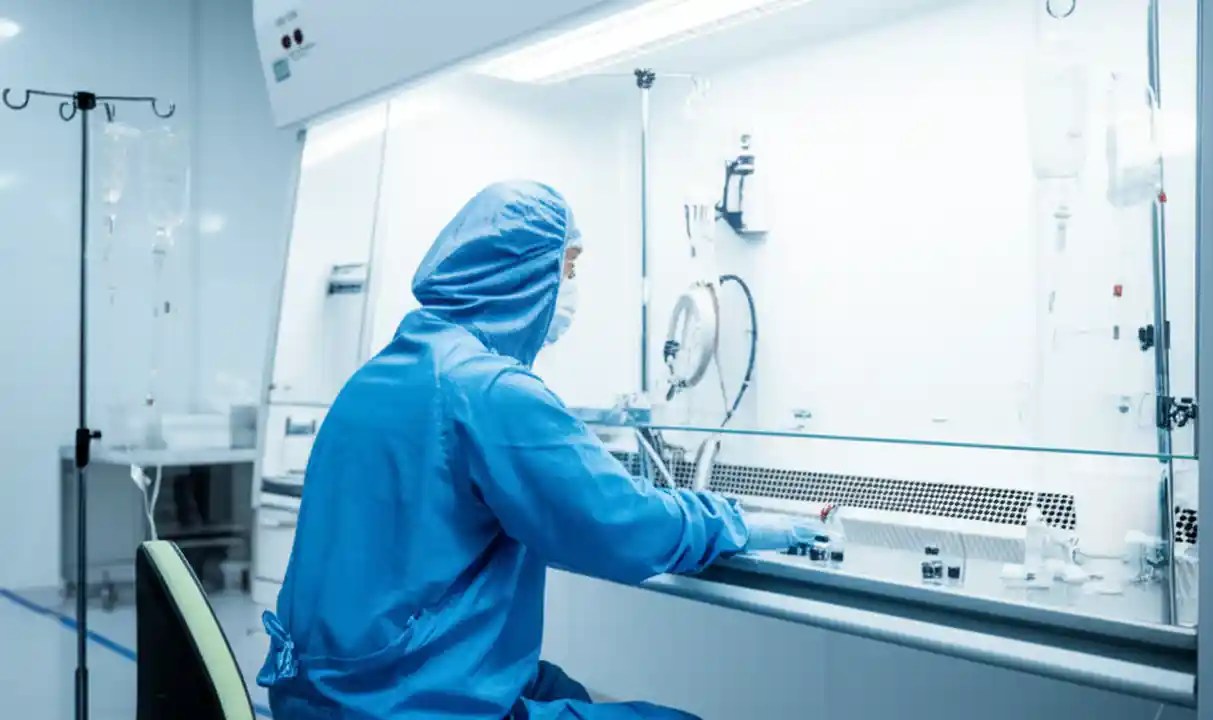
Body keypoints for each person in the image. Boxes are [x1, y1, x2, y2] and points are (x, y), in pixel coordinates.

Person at [257, 180, 817, 719]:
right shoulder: (488, 388)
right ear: (522, 273)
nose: (570, 289)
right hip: (400, 702)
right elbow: (622, 525)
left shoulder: (381, 374)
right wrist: (736, 522)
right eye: (567, 269)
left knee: (562, 687)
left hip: (326, 692)